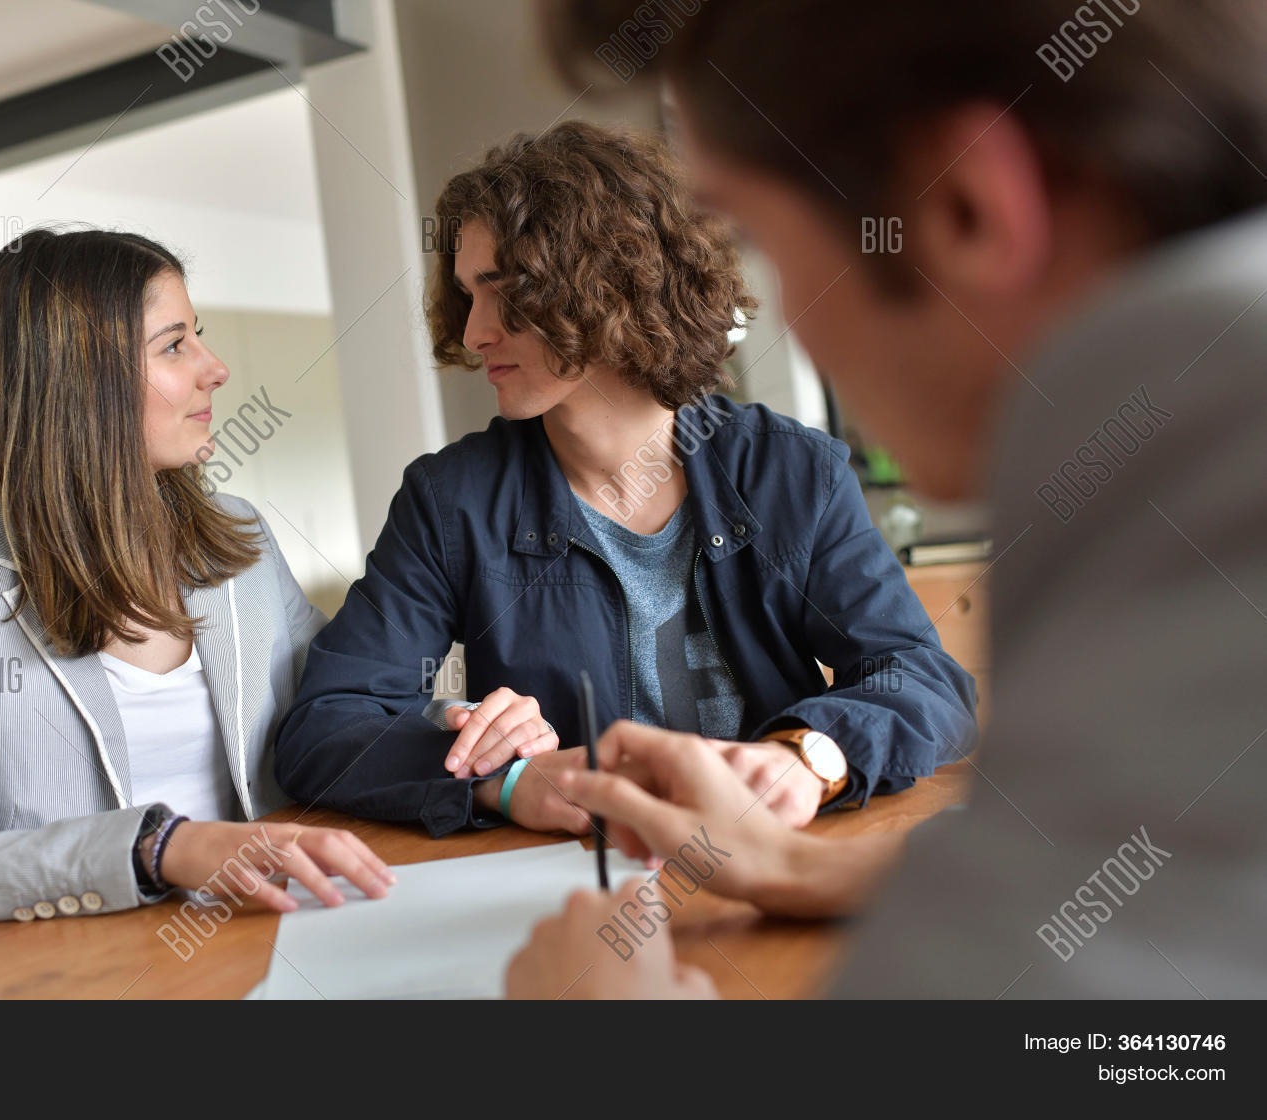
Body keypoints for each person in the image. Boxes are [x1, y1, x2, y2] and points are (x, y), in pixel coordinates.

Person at [506, 0, 1267, 998]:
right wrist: (801, 864)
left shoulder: (1206, 455)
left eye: (754, 237)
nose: (788, 320)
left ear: (967, 209)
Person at [275, 121, 977, 840]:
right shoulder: (450, 502)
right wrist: (502, 781)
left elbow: (922, 678)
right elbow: (326, 726)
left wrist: (807, 757)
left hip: (776, 856)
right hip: (580, 874)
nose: (474, 332)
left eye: (501, 291)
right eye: (467, 296)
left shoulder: (794, 473)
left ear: (607, 289)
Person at [0, 228, 394, 962]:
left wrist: (459, 727)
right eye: (175, 346)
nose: (215, 369)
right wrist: (157, 848)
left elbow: (338, 706)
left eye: (199, 337)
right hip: (83, 979)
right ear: (79, 382)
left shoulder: (236, 538)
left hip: (272, 941)